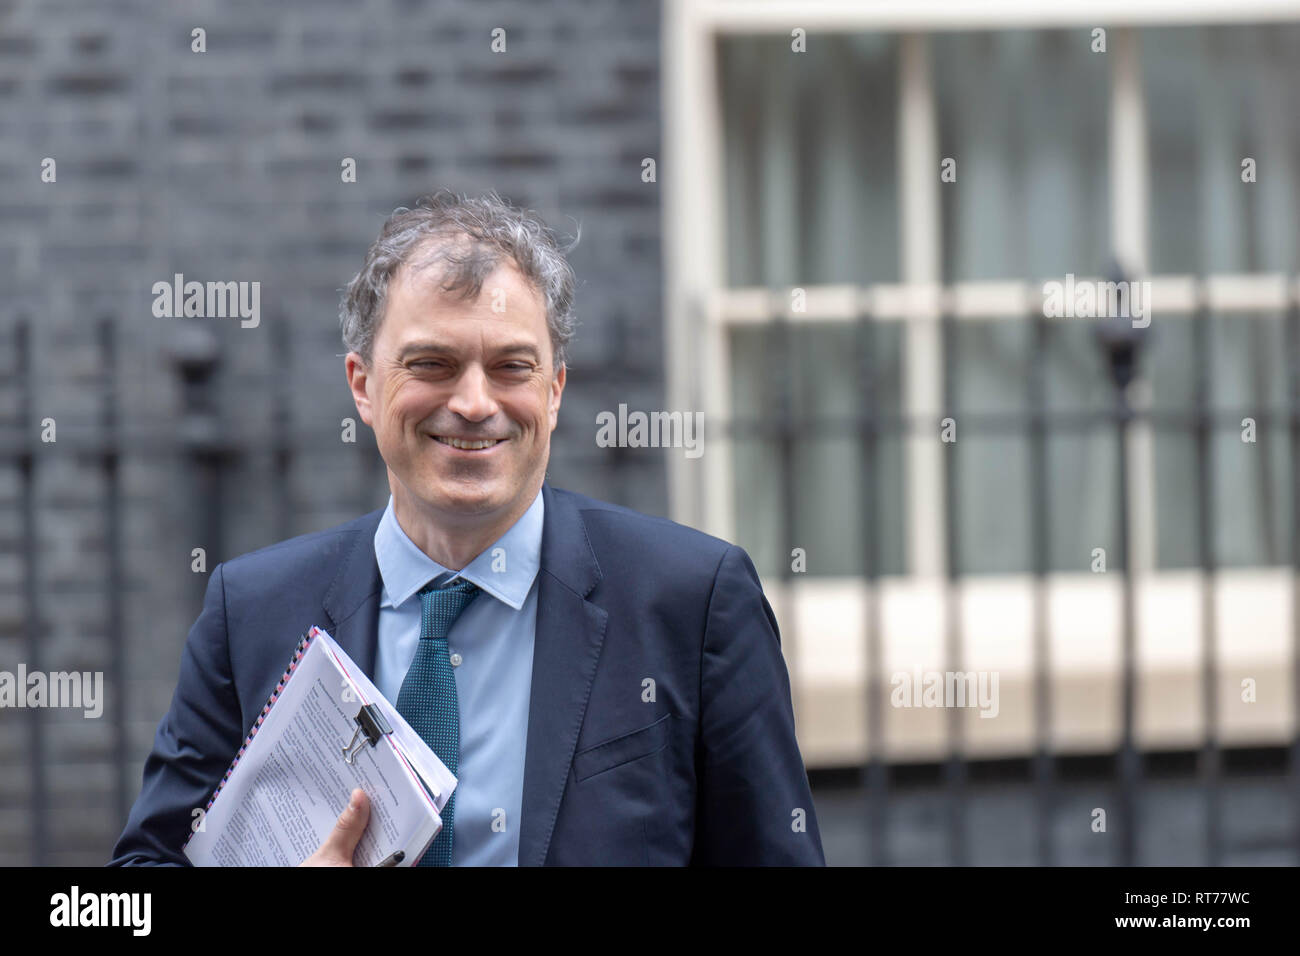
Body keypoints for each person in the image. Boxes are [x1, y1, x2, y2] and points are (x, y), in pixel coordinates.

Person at [109, 189, 825, 866]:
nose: (475, 402)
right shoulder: (253, 612)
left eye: (512, 366)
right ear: (361, 384)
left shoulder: (692, 602)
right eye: (433, 364)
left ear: (554, 390)